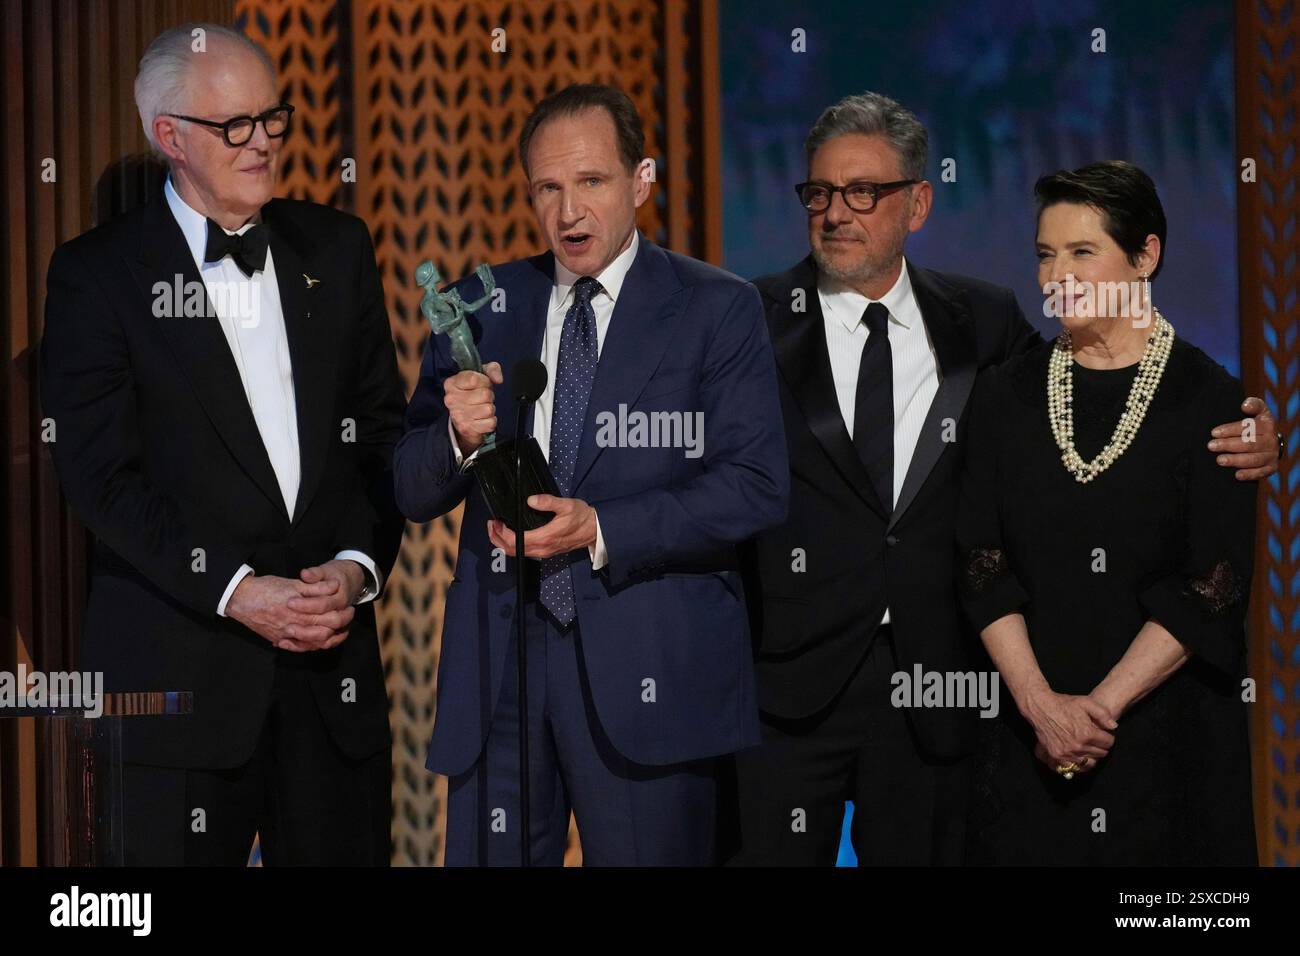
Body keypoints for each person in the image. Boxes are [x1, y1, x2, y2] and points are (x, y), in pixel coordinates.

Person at [731, 92, 1278, 865]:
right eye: (819, 193)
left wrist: (1264, 434)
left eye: (863, 192)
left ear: (918, 203)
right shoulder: (745, 318)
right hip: (789, 689)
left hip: (939, 693)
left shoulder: (979, 323)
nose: (835, 212)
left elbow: (1116, 385)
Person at [393, 83, 788, 866]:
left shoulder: (717, 308)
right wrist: (455, 435)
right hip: (499, 671)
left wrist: (603, 528)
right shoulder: (483, 303)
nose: (568, 210)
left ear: (642, 180)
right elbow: (410, 488)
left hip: (648, 669)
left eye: (591, 182)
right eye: (548, 187)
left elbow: (756, 483)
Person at [40, 23, 405, 865]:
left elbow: (380, 435)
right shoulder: (96, 276)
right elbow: (102, 481)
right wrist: (239, 591)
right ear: (169, 137)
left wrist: (355, 566)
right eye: (235, 126)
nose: (264, 143)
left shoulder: (337, 249)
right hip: (179, 698)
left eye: (273, 118)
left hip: (331, 685)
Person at [955, 161, 1257, 865]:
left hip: (1166, 740)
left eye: (1082, 252)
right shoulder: (1005, 395)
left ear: (1145, 255)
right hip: (1029, 738)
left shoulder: (1211, 401)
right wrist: (1042, 707)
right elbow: (979, 558)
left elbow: (1213, 582)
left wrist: (1096, 714)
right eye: (1045, 254)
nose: (1055, 275)